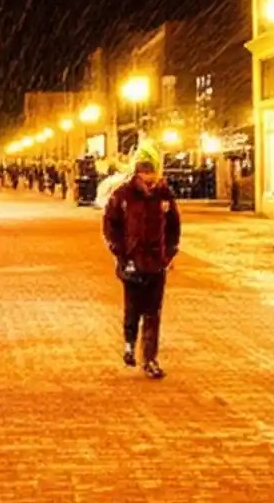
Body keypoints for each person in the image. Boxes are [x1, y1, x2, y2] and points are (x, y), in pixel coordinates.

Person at [103, 144, 181, 380]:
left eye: (151, 170)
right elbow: (111, 225)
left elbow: (174, 227)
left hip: (156, 262)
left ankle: (150, 358)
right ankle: (129, 344)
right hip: (132, 261)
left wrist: (168, 254)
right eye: (143, 170)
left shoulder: (164, 195)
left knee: (153, 312)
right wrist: (121, 253)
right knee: (133, 307)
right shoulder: (122, 195)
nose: (148, 176)